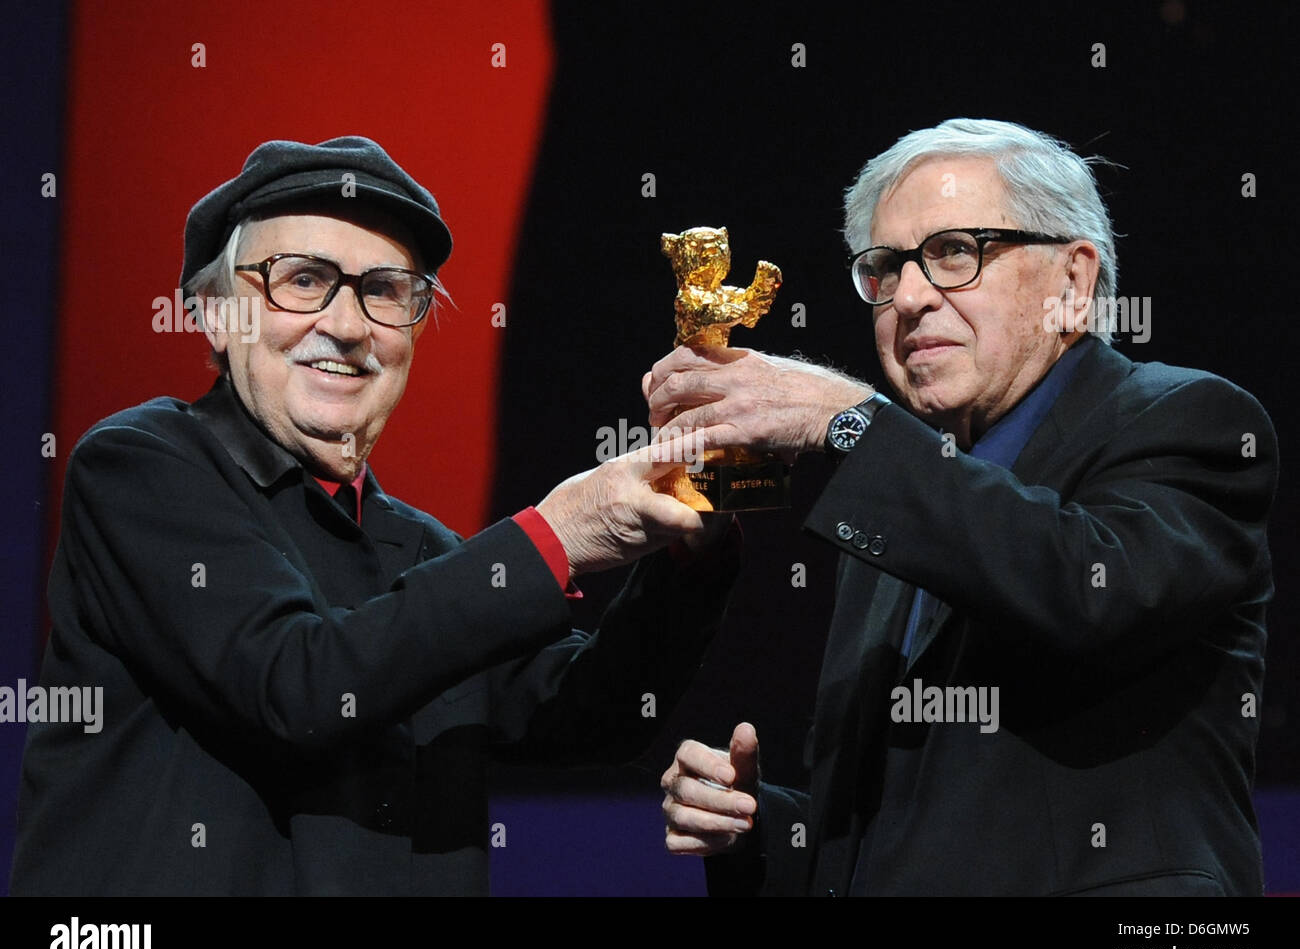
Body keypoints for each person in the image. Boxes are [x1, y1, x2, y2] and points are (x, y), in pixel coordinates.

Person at [11, 136, 737, 895]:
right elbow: (295, 683)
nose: (350, 326)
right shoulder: (140, 466)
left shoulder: (419, 547)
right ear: (216, 316)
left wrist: (691, 546)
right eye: (303, 279)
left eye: (386, 290)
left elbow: (592, 715)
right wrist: (554, 534)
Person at [652, 118, 1277, 895]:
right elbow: (914, 828)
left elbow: (1084, 590)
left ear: (1073, 282)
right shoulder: (892, 503)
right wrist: (758, 831)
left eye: (955, 252)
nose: (909, 297)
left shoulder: (1191, 422)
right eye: (884, 267)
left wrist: (848, 419)